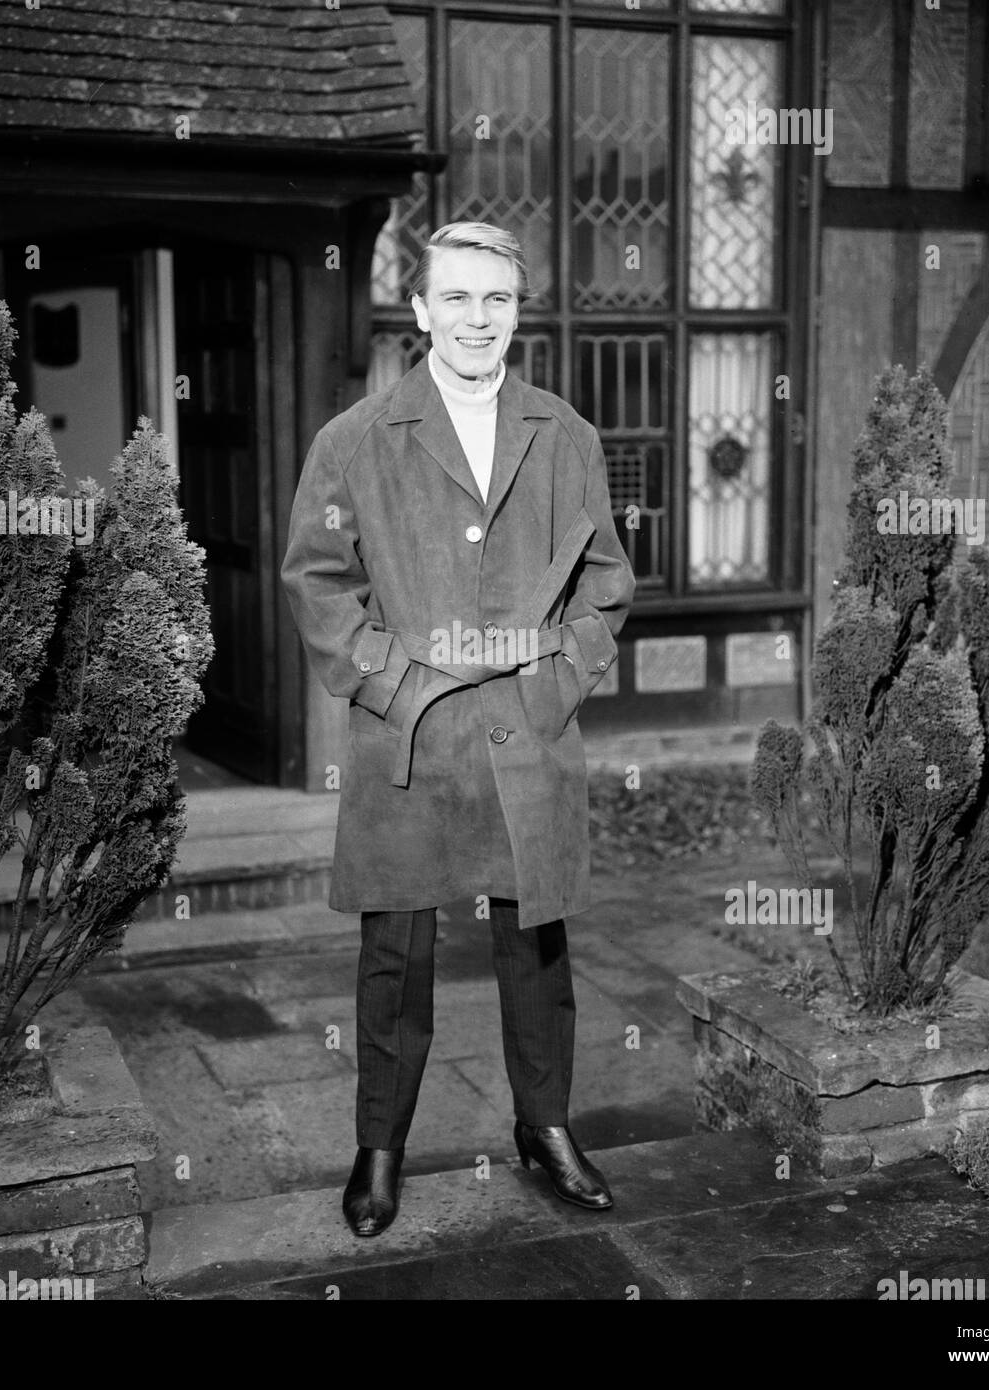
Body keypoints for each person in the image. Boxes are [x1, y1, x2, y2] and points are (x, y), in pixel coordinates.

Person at [281, 221, 635, 1237]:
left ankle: (545, 1126)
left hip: (524, 734)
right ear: (421, 309)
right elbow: (317, 584)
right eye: (458, 299)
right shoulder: (353, 441)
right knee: (395, 950)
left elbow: (604, 587)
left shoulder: (564, 434)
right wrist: (390, 684)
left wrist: (556, 684)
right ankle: (380, 1147)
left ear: (517, 311)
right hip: (409, 741)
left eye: (497, 300)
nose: (477, 319)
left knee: (536, 944)